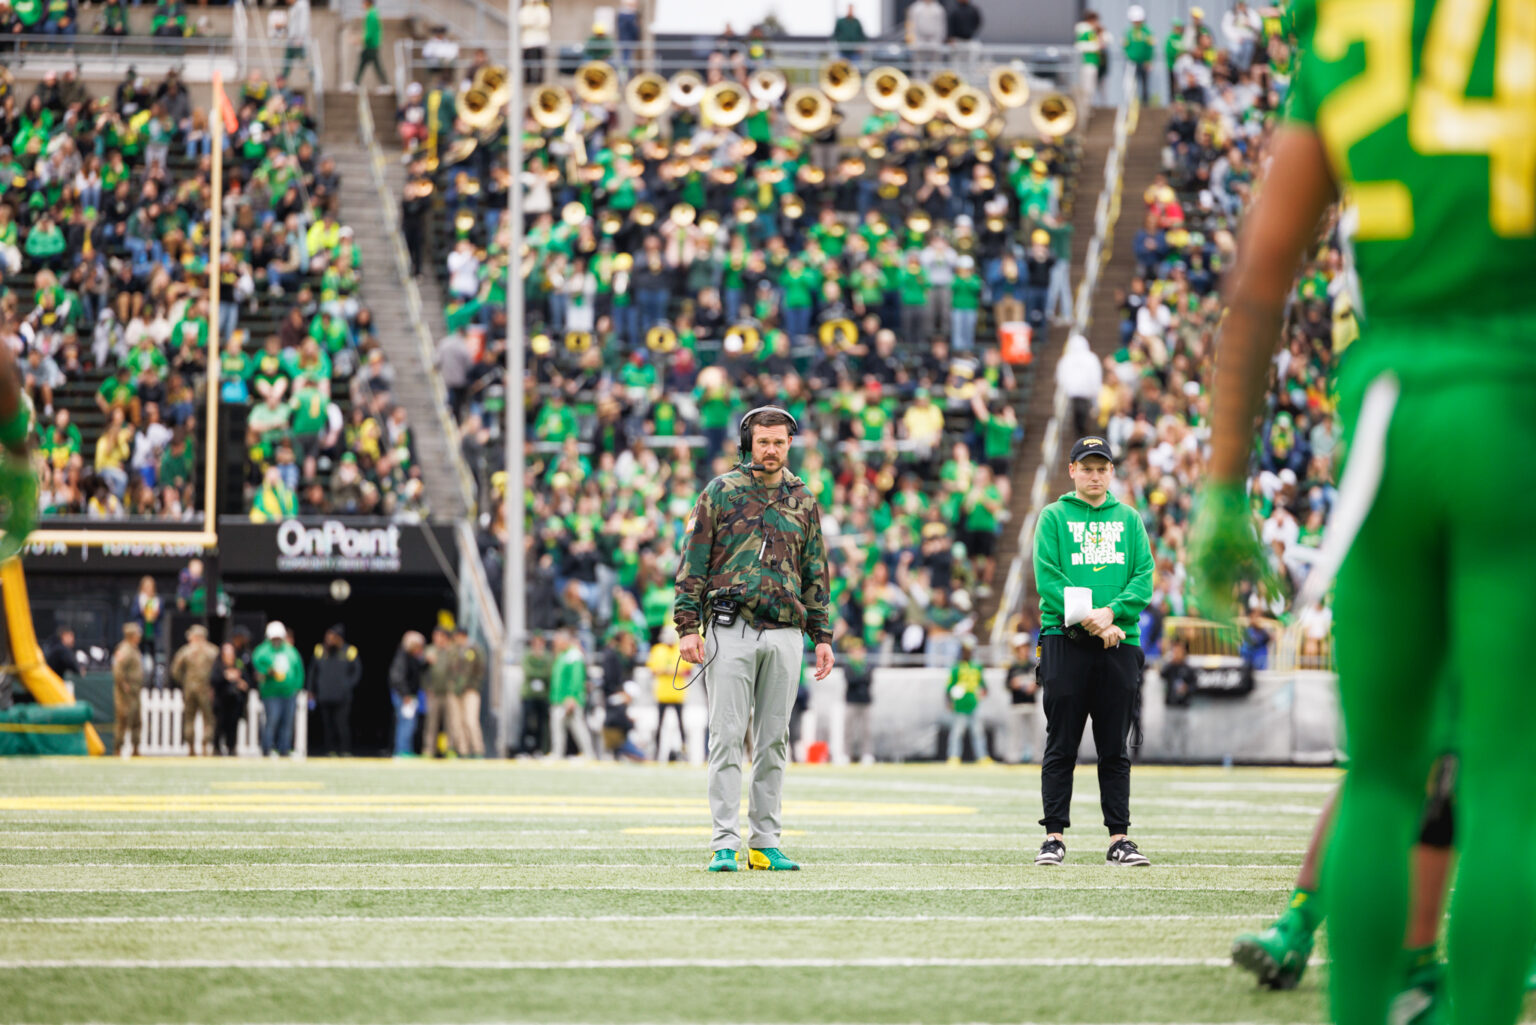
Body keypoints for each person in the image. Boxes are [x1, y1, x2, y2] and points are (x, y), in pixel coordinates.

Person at [1189, 3, 1536, 1019]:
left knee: (1384, 769)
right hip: (1518, 403)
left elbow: (1259, 278)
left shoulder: (1348, 34)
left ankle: (1343, 962)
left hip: (1393, 414)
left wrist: (1222, 488)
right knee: (1509, 774)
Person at [674, 406, 834, 872]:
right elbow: (692, 564)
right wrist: (687, 627)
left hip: (785, 632)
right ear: (748, 442)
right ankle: (724, 841)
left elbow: (815, 573)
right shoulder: (720, 492)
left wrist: (822, 635)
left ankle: (765, 842)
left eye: (779, 442)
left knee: (774, 742)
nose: (771, 450)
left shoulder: (804, 498)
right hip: (730, 629)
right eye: (763, 442)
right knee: (725, 738)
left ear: (790, 444)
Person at [1032, 436, 1153, 867]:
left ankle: (1119, 838)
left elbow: (1144, 577)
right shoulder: (1053, 517)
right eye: (1087, 467)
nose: (1095, 475)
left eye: (1102, 468)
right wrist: (1094, 620)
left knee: (1114, 748)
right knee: (1061, 742)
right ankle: (1053, 837)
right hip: (1066, 641)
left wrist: (1111, 613)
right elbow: (1048, 577)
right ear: (1072, 471)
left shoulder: (1130, 519)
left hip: (1120, 643)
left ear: (1112, 473)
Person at [308, 625, 361, 757]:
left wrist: (347, 685)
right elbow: (312, 672)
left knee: (341, 723)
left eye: (332, 637)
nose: (329, 640)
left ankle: (344, 750)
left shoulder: (349, 650)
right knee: (327, 724)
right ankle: (330, 750)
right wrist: (311, 690)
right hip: (325, 694)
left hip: (342, 696)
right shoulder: (320, 650)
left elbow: (357, 672)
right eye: (328, 637)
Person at [254, 621, 302, 757]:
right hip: (271, 692)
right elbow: (257, 666)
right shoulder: (262, 651)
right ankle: (267, 748)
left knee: (288, 722)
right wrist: (268, 671)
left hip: (289, 692)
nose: (276, 640)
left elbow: (298, 669)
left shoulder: (290, 650)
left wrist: (297, 687)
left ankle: (284, 749)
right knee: (272, 720)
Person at [169, 624, 219, 756]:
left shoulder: (186, 651)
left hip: (190, 688)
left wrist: (184, 681)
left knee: (189, 718)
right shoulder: (212, 651)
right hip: (206, 689)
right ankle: (205, 745)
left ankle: (190, 746)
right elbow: (218, 669)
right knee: (208, 718)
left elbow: (175, 670)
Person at [646, 626, 691, 761]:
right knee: (659, 725)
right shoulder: (657, 649)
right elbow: (652, 670)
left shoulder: (680, 649)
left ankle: (684, 751)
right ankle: (656, 752)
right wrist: (670, 671)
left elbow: (688, 671)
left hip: (678, 694)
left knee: (681, 725)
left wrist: (668, 671)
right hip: (662, 694)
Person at [549, 628, 593, 758]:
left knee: (577, 726)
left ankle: (588, 753)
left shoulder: (573, 655)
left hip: (568, 699)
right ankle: (557, 753)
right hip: (559, 698)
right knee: (558, 728)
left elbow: (576, 678)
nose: (555, 643)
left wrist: (572, 697)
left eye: (557, 640)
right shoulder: (562, 655)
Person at [944, 640, 989, 764]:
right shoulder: (956, 667)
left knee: (978, 732)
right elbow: (949, 686)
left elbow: (983, 684)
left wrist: (984, 692)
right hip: (960, 704)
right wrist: (948, 701)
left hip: (974, 703)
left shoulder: (977, 666)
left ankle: (982, 756)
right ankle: (953, 756)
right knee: (957, 732)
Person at [448, 624, 486, 758]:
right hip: (455, 691)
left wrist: (472, 685)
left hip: (470, 690)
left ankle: (477, 750)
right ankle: (463, 751)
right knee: (457, 722)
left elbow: (477, 670)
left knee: (471, 720)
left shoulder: (474, 649)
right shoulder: (453, 650)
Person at [387, 631, 426, 757]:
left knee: (409, 724)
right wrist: (406, 695)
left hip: (409, 695)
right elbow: (397, 678)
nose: (421, 648)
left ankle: (405, 749)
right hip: (404, 696)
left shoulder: (411, 657)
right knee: (406, 723)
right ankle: (402, 751)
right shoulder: (403, 656)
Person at [1004, 632, 1039, 764]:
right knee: (1015, 733)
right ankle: (1013, 757)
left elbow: (1039, 682)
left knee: (1033, 733)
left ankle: (1036, 756)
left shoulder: (1032, 665)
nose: (1024, 651)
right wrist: (1014, 684)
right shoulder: (1013, 667)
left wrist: (1034, 686)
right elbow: (1007, 684)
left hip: (1031, 703)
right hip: (1017, 704)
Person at [421, 625, 454, 758]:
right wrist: (426, 688)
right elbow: (422, 672)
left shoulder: (451, 651)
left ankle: (451, 749)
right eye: (435, 636)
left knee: (450, 723)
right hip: (433, 692)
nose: (436, 639)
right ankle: (429, 750)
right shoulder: (429, 650)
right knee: (431, 723)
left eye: (439, 636)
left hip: (448, 692)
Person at [112, 623, 144, 756]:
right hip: (126, 693)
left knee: (136, 720)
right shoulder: (125, 649)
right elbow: (118, 669)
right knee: (124, 720)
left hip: (135, 691)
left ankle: (135, 749)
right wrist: (123, 684)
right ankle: (118, 749)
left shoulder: (134, 649)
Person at [841, 634, 874, 765]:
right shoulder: (849, 666)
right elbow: (851, 680)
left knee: (865, 731)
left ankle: (866, 754)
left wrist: (859, 680)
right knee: (848, 730)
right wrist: (860, 680)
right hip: (851, 700)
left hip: (865, 701)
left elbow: (868, 680)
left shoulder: (867, 666)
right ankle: (846, 754)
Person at [214, 640, 250, 756]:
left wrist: (240, 681)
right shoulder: (218, 665)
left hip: (235, 701)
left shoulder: (238, 664)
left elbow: (247, 681)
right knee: (219, 726)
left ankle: (232, 747)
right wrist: (225, 676)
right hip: (221, 701)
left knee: (233, 726)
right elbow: (213, 680)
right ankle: (217, 748)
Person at [520, 633, 553, 756]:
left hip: (543, 695)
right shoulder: (528, 655)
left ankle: (539, 750)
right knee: (526, 722)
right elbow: (528, 671)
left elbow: (548, 672)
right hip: (529, 694)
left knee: (541, 724)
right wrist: (540, 673)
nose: (538, 645)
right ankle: (523, 750)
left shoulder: (547, 657)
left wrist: (537, 673)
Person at [1123, 5, 1155, 106]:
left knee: (1145, 83)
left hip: (1144, 62)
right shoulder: (1129, 32)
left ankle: (1145, 104)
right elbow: (1125, 46)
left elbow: (1150, 47)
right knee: (1131, 84)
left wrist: (1148, 60)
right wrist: (1129, 57)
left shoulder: (1147, 32)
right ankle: (1131, 103)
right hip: (1132, 62)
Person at [353, 0, 387, 92]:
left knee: (365, 63)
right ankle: (356, 83)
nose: (362, 5)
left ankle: (356, 83)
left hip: (371, 45)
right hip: (373, 44)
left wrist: (359, 40)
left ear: (368, 3)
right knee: (370, 64)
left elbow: (370, 33)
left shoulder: (371, 15)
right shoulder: (373, 13)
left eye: (363, 3)